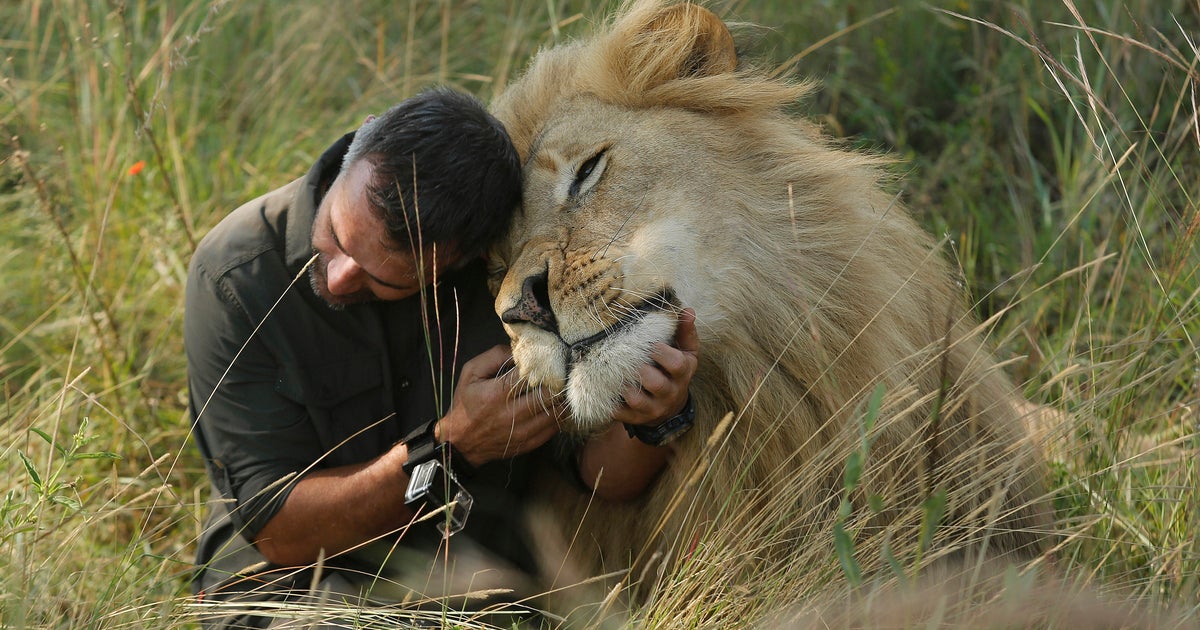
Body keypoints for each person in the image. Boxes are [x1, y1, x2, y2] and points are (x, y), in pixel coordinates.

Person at [184, 87, 699, 628]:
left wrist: (656, 417)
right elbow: (280, 532)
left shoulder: (504, 285)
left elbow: (601, 478)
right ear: (361, 142)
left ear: (462, 260)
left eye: (382, 279)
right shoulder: (236, 276)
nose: (337, 276)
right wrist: (451, 448)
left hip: (474, 595)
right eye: (337, 233)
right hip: (289, 592)